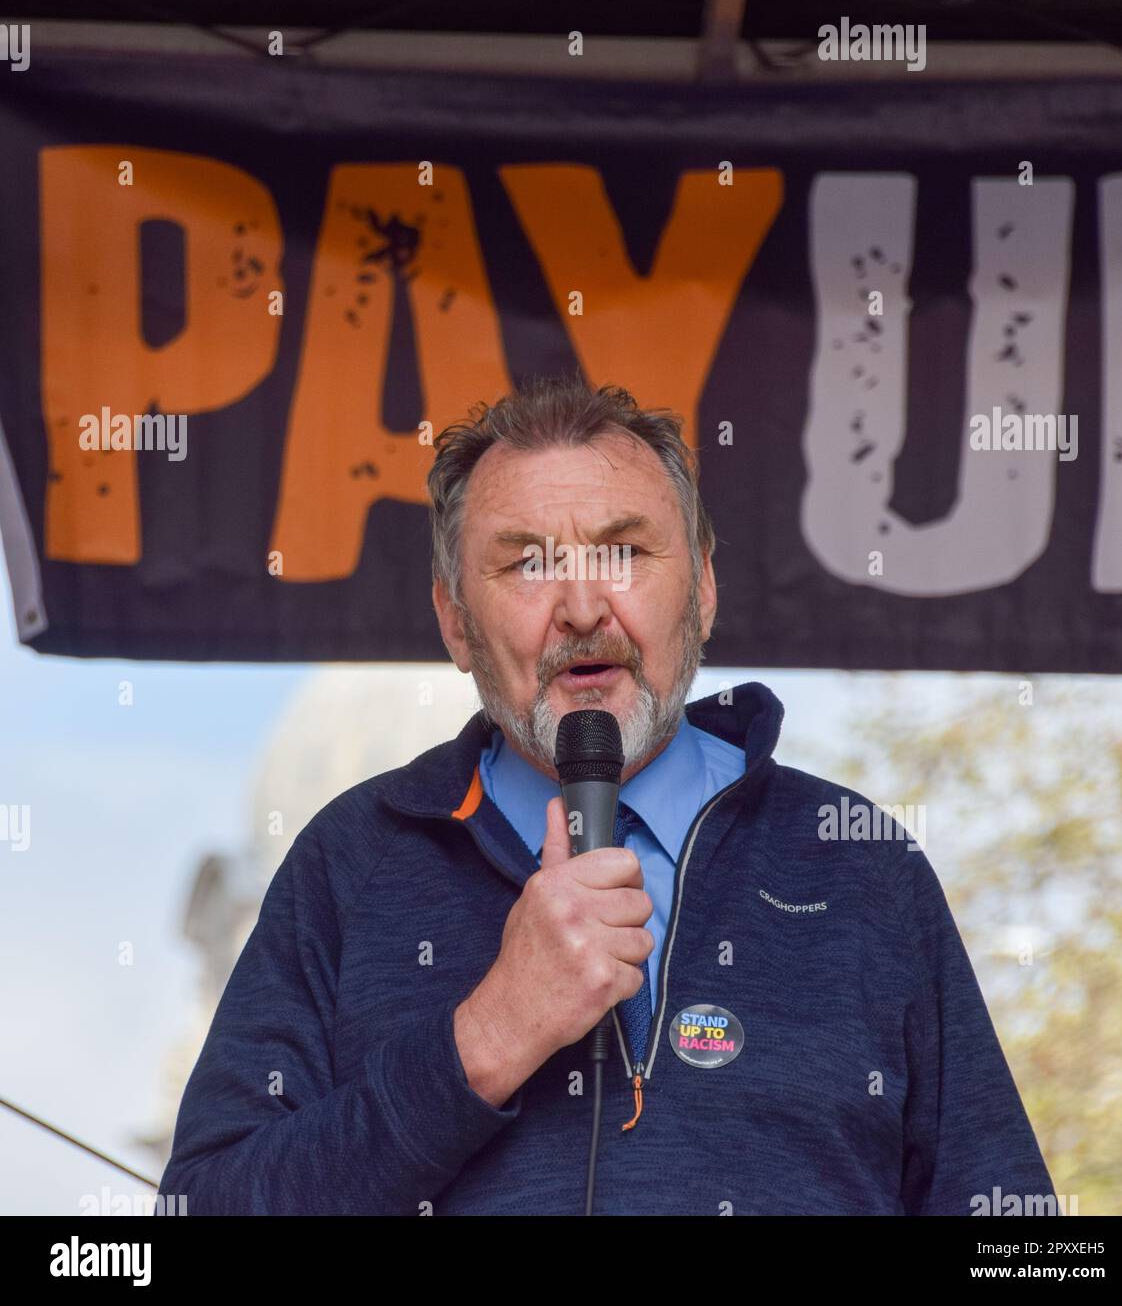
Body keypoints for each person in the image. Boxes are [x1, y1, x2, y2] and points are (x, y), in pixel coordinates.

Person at [156, 375, 1058, 1216]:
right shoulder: (353, 862)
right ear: (454, 622)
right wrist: (488, 1037)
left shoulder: (857, 861)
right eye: (525, 564)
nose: (583, 608)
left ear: (702, 589)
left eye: (623, 552)